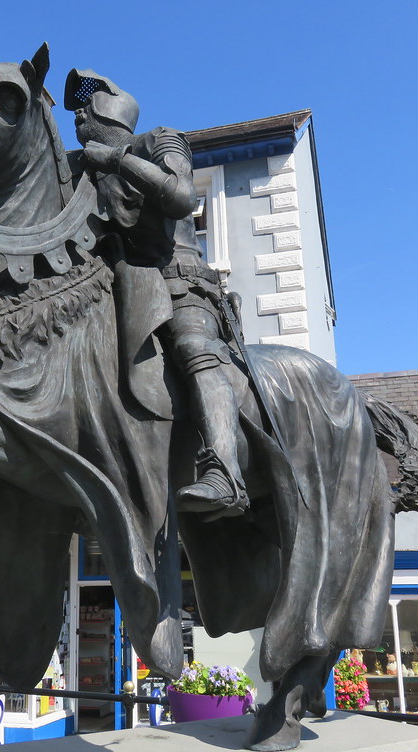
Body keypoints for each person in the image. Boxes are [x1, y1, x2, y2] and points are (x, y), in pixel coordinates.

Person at [64, 69, 248, 519]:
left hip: (178, 281)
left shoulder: (160, 140)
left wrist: (116, 160)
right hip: (112, 286)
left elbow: (182, 197)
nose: (79, 115)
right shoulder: (77, 165)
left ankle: (225, 471)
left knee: (193, 349)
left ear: (109, 109)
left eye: (86, 106)